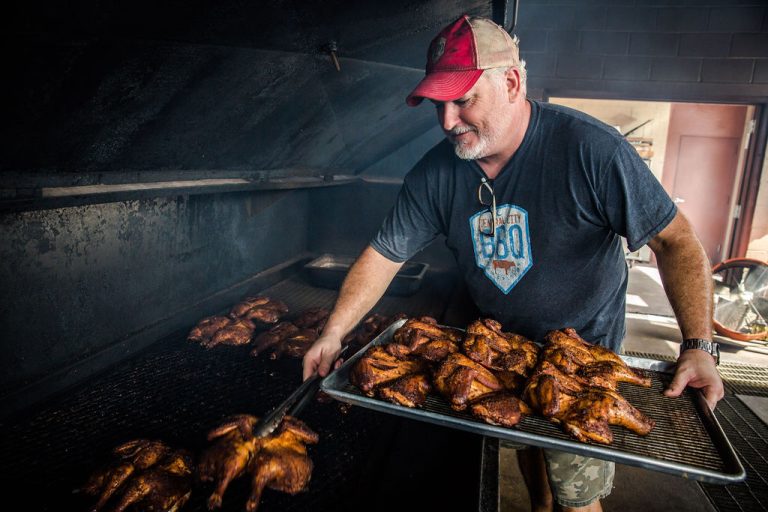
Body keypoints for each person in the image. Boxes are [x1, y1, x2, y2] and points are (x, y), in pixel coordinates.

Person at [303, 14, 724, 512]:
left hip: (578, 362)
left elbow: (677, 243)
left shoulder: (591, 150)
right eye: (438, 103)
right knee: (528, 452)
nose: (447, 121)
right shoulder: (436, 173)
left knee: (575, 492)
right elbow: (383, 255)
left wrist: (698, 345)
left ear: (511, 82)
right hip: (499, 355)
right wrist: (332, 333)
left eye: (463, 100)